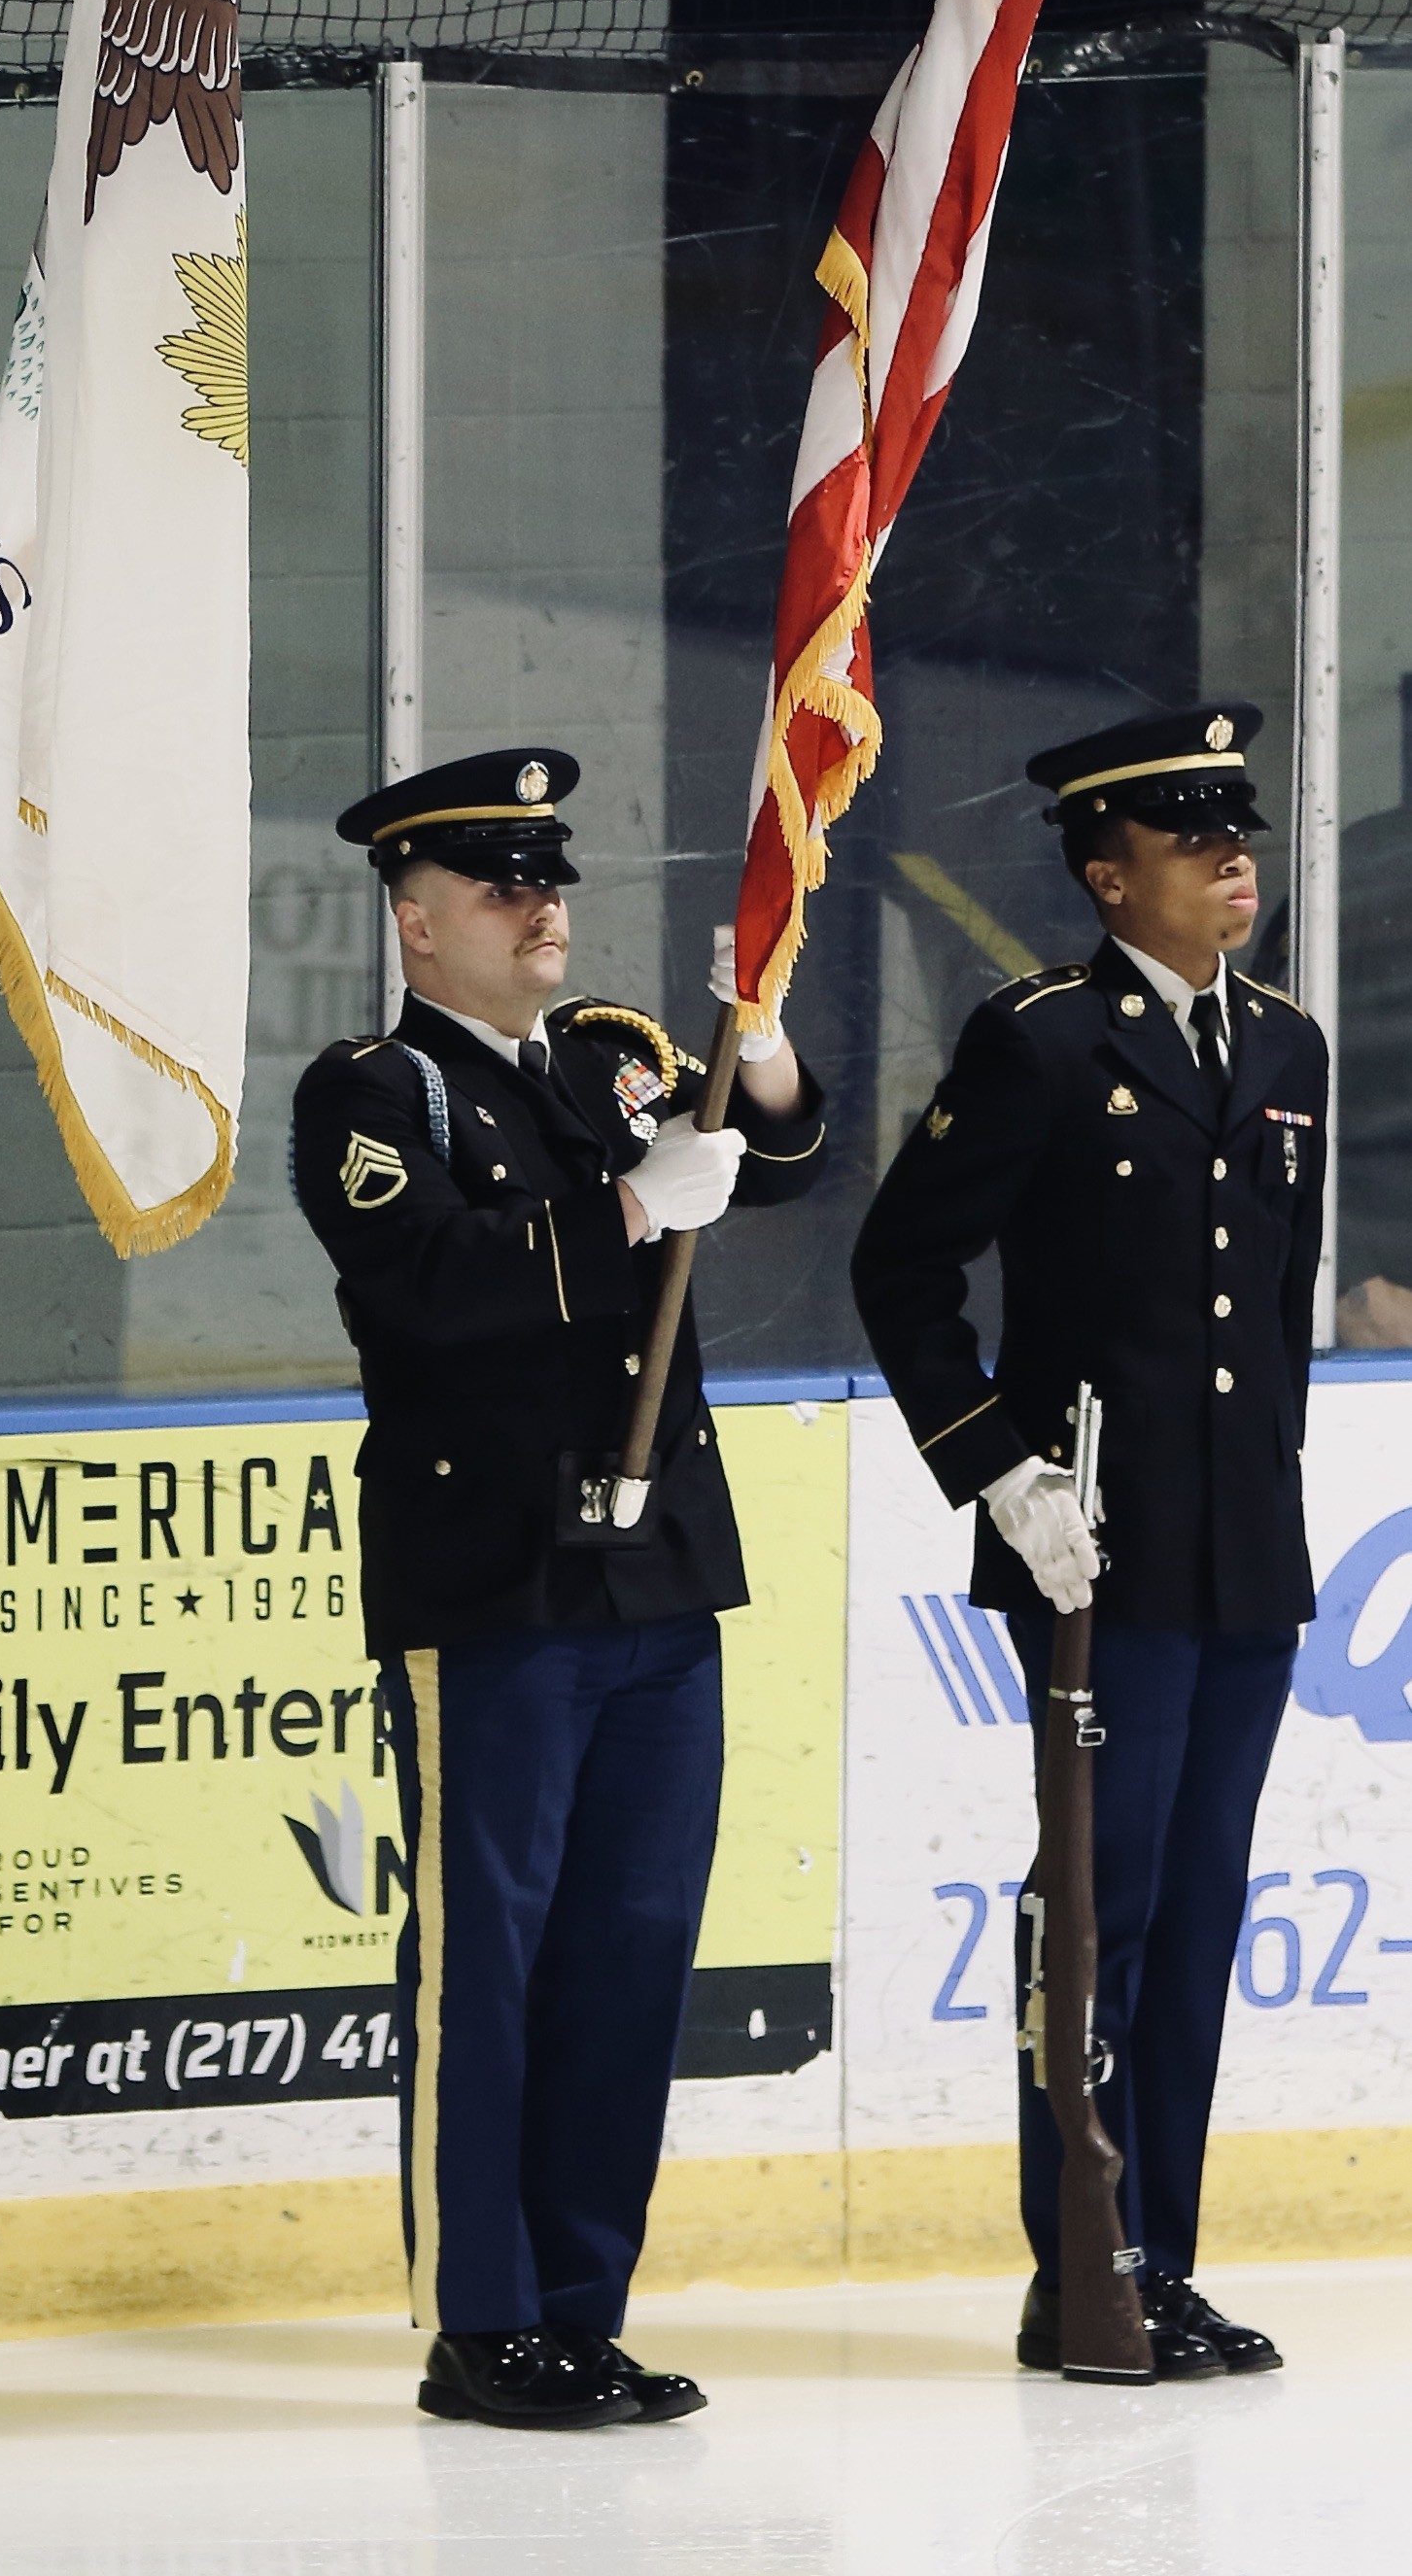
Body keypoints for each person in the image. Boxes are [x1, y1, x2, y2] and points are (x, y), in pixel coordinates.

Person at [289, 748, 828, 2432]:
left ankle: (582, 2306)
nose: (541, 906)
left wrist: (763, 1052)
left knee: (632, 1948)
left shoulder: (605, 1056)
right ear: (414, 919)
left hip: (656, 1571)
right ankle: (484, 2320)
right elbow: (431, 1287)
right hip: (497, 1582)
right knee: (490, 1957)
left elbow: (779, 1162)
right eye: (499, 883)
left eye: (548, 878)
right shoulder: (374, 1091)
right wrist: (624, 1211)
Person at [852, 703, 1317, 2384]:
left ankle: (1160, 2262)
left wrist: (1266, 1497)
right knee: (1099, 1912)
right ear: (1110, 876)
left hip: (1242, 1553)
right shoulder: (1041, 1041)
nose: (1232, 860)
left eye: (1237, 834)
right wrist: (1000, 1470)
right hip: (1093, 1560)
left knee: (1198, 1915)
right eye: (1194, 840)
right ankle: (1083, 2266)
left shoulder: (1286, 1046)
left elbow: (1270, 1310)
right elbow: (901, 1269)